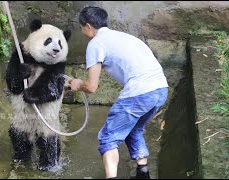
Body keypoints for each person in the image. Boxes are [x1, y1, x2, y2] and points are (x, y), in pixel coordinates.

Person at [68, 6, 169, 179]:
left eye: (82, 27)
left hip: (139, 93)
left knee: (108, 139)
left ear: (88, 26)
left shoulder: (96, 44)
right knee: (134, 131)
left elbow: (91, 87)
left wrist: (77, 84)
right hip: (160, 89)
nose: (83, 32)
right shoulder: (124, 37)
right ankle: (143, 174)